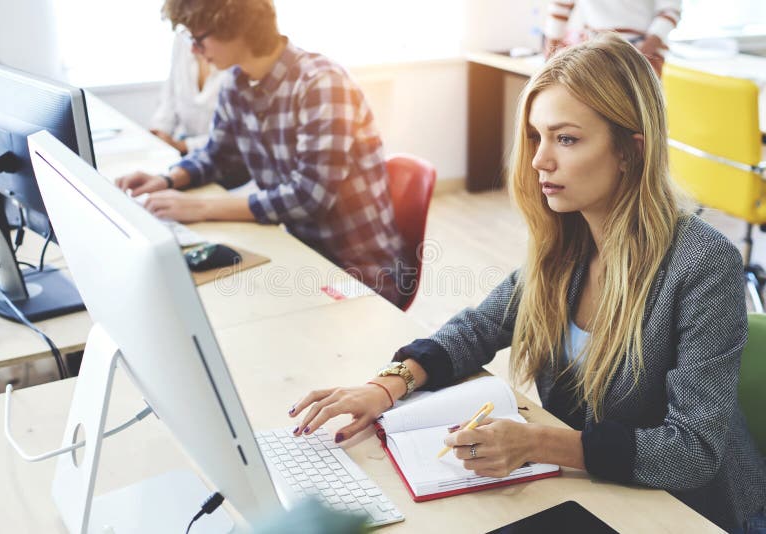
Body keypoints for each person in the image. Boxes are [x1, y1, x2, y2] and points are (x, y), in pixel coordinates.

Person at [288, 34, 766, 532]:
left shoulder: (702, 264)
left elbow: (692, 451)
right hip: (595, 490)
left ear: (630, 150)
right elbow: (478, 328)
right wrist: (387, 386)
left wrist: (537, 442)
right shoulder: (568, 239)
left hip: (690, 513)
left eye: (566, 139)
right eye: (537, 137)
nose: (539, 160)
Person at [116, 0, 405, 306]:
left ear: (236, 28)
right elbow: (218, 155)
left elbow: (309, 196)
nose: (194, 50)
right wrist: (166, 180)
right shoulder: (236, 82)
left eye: (199, 39)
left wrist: (200, 207)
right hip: (296, 251)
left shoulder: (322, 83)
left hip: (356, 270)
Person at [543, 0, 682, 76]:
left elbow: (670, 10)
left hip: (645, 53)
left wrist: (639, 55)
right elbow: (560, 8)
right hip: (594, 49)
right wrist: (549, 60)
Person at [150, 34, 224, 155]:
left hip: (215, 153)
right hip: (182, 145)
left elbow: (230, 138)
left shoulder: (232, 64)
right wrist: (159, 133)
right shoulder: (182, 38)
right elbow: (169, 99)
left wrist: (182, 145)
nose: (192, 48)